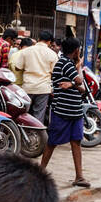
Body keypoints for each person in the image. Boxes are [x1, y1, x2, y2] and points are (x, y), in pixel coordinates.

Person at [40, 36, 89, 189]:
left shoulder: (67, 64)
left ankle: (79, 176)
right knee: (53, 142)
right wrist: (78, 69)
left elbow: (81, 89)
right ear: (76, 51)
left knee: (76, 141)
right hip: (63, 110)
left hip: (74, 111)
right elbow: (80, 82)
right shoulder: (65, 64)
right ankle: (39, 173)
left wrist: (72, 83)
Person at [11, 30, 59, 125]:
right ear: (49, 42)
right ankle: (37, 135)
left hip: (27, 87)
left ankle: (24, 135)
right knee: (38, 115)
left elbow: (17, 67)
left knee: (25, 114)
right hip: (43, 89)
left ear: (38, 39)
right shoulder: (52, 54)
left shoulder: (26, 51)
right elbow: (55, 73)